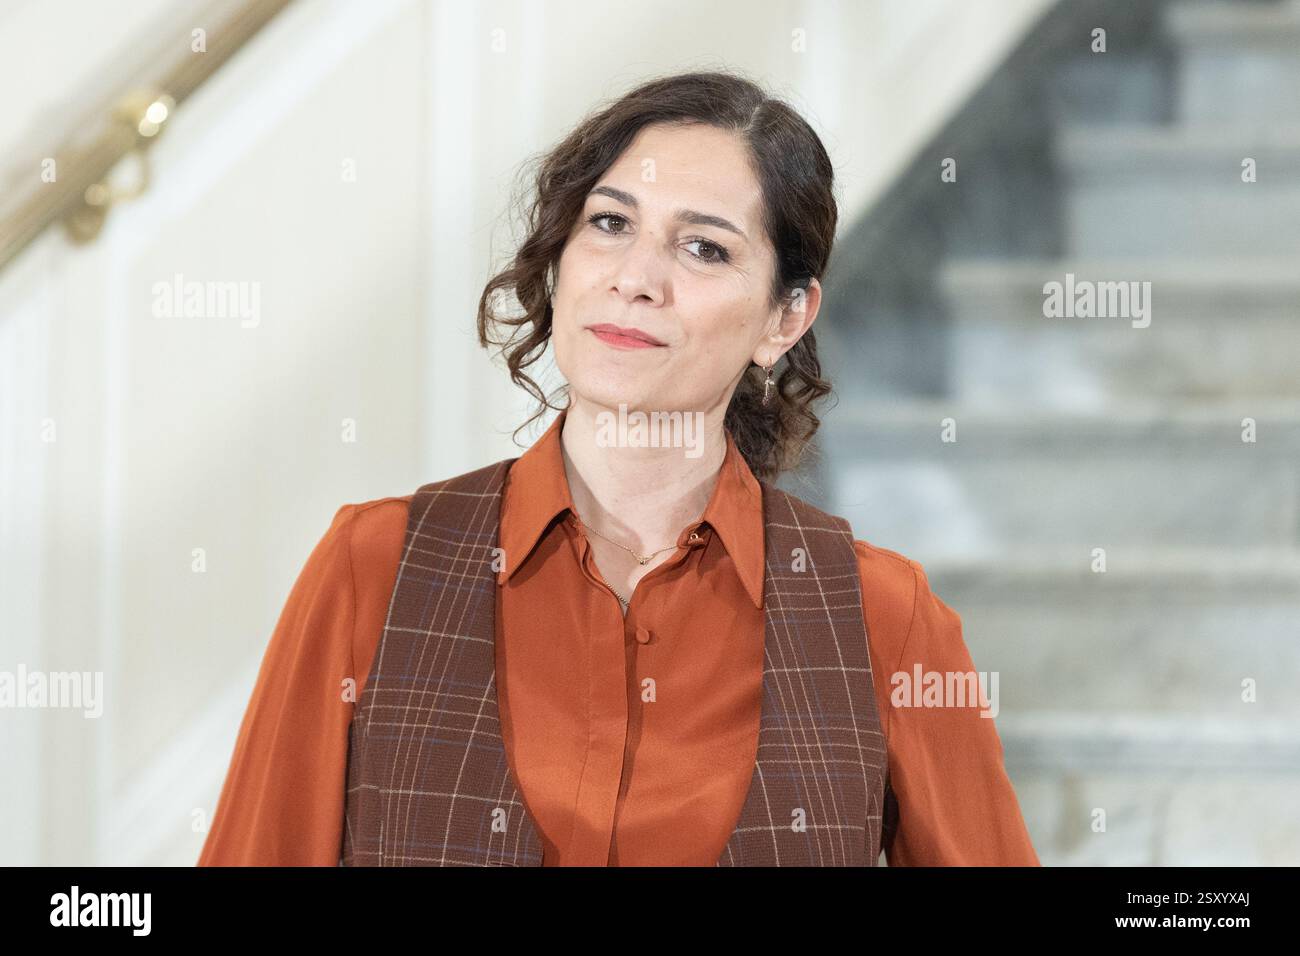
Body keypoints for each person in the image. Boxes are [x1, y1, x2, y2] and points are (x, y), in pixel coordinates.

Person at [198, 69, 1039, 867]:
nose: (637, 278)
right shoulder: (371, 567)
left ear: (784, 319)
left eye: (704, 249)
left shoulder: (886, 620)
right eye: (609, 223)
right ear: (561, 261)